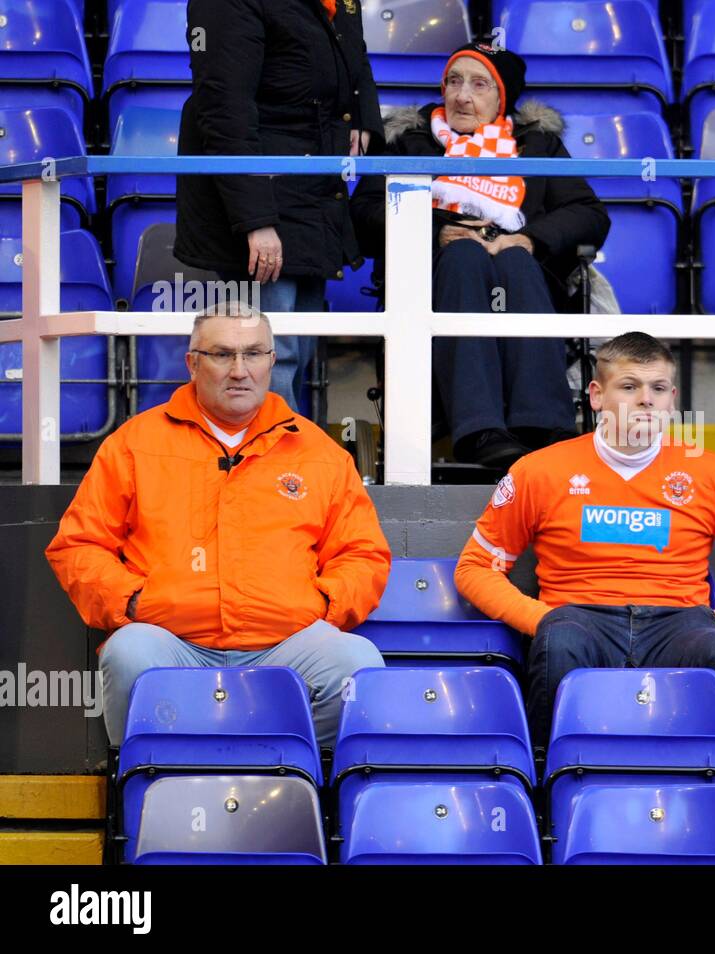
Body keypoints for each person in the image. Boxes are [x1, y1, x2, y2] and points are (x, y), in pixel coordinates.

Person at [45, 303, 391, 748]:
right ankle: (147, 788)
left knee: (357, 662)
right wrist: (129, 601)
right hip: (172, 641)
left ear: (272, 361)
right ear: (192, 363)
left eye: (253, 354)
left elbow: (362, 554)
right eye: (222, 354)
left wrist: (322, 605)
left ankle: (287, 779)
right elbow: (78, 545)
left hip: (286, 643)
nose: (239, 370)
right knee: (129, 651)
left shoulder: (319, 453)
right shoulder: (134, 443)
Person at [454, 332, 715, 748]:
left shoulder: (710, 471)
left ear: (672, 399)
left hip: (679, 623)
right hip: (579, 619)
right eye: (630, 387)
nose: (646, 401)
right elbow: (474, 568)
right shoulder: (540, 470)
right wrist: (539, 618)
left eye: (657, 389)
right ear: (597, 396)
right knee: (558, 644)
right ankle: (548, 791)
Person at [351, 43, 611, 470]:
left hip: (522, 274)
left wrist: (529, 239)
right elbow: (362, 212)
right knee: (466, 257)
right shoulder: (410, 141)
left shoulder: (535, 144)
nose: (461, 96)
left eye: (478, 84)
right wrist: (435, 231)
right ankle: (479, 430)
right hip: (434, 278)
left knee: (514, 261)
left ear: (501, 98)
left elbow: (589, 214)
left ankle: (542, 425)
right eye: (453, 82)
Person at [175, 0, 383, 413]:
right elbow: (224, 109)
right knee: (272, 352)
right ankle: (271, 464)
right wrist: (255, 220)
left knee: (298, 347)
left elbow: (354, 55)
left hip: (316, 196)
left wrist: (364, 117)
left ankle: (290, 460)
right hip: (258, 200)